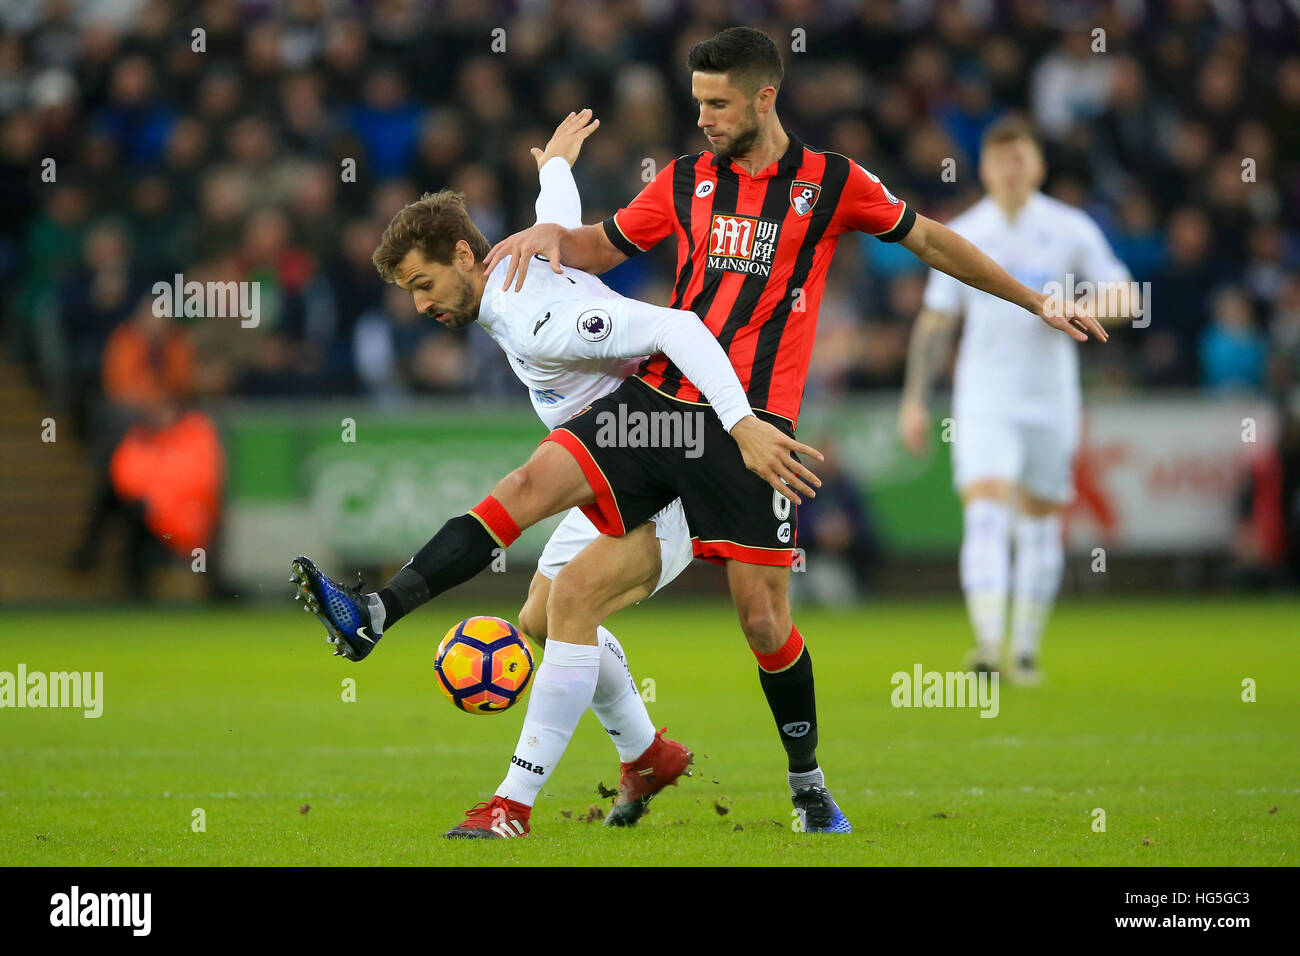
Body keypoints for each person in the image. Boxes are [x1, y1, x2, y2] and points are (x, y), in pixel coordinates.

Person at [298, 28, 1105, 837]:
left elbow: (930, 240)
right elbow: (599, 247)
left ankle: (807, 780)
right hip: (657, 402)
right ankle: (391, 630)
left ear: (764, 97)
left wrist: (1036, 300)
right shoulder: (685, 182)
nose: (705, 119)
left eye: (718, 104)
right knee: (530, 506)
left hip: (751, 426)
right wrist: (554, 208)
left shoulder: (829, 183)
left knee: (763, 621)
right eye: (697, 104)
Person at [292, 110, 812, 836]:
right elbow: (556, 221)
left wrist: (740, 423)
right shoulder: (517, 263)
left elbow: (675, 327)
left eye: (425, 283)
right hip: (614, 458)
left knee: (562, 583)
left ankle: (510, 800)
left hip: (673, 459)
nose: (420, 305)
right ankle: (647, 755)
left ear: (465, 256)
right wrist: (556, 166)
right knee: (537, 617)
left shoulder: (535, 318)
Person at [898, 116, 1133, 684]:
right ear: (983, 169)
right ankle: (986, 644)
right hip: (984, 396)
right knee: (985, 509)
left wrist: (1084, 310)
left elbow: (1126, 295)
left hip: (1051, 397)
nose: (1010, 170)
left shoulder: (1071, 227)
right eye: (1000, 161)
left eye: (1020, 159)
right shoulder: (965, 231)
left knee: (1039, 520)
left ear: (1038, 166)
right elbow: (934, 321)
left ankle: (1024, 651)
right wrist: (913, 400)